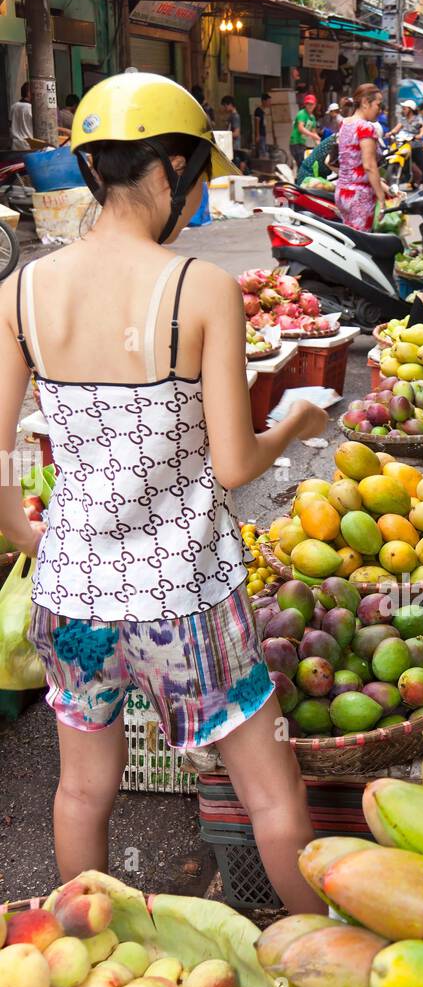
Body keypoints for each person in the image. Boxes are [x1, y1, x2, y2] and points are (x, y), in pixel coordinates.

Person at [0, 73, 328, 910]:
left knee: (80, 792)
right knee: (271, 794)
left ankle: (94, 957)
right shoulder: (200, 288)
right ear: (173, 167)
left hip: (71, 597)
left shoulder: (22, 292)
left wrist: (24, 531)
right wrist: (295, 419)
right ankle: (326, 960)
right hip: (182, 599)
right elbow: (232, 467)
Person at [335, 82, 388, 230]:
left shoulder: (345, 123)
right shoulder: (365, 127)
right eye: (378, 105)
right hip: (359, 197)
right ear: (365, 103)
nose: (380, 110)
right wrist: (382, 199)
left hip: (342, 193)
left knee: (350, 241)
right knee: (361, 245)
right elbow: (369, 166)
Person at [390, 101, 423, 188]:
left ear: (410, 109)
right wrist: (390, 133)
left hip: (415, 145)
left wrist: (420, 135)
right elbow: (396, 129)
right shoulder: (403, 119)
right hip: (404, 144)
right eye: (403, 108)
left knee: (421, 163)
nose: (403, 110)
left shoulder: (418, 119)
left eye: (405, 108)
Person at [290, 93, 320, 173]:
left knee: (303, 164)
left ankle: (299, 181)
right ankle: (300, 182)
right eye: (308, 104)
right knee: (302, 164)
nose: (310, 106)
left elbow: (314, 132)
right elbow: (301, 128)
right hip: (295, 142)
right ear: (305, 104)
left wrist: (320, 143)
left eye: (311, 104)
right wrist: (312, 135)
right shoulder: (302, 114)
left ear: (315, 105)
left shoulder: (312, 117)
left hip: (302, 143)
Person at [220, 95, 247, 171]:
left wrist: (223, 135)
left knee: (234, 167)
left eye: (225, 106)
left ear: (230, 104)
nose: (224, 108)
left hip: (234, 146)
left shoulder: (235, 116)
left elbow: (236, 133)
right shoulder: (231, 116)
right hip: (231, 146)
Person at [10, 82, 32, 153]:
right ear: (29, 93)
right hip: (29, 144)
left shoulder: (13, 106)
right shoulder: (31, 108)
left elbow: (10, 123)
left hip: (15, 145)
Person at [253, 92, 271, 156]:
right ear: (263, 101)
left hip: (264, 133)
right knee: (262, 150)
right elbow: (257, 123)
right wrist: (257, 135)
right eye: (268, 101)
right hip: (260, 134)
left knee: (265, 149)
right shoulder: (258, 111)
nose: (269, 103)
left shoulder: (264, 111)